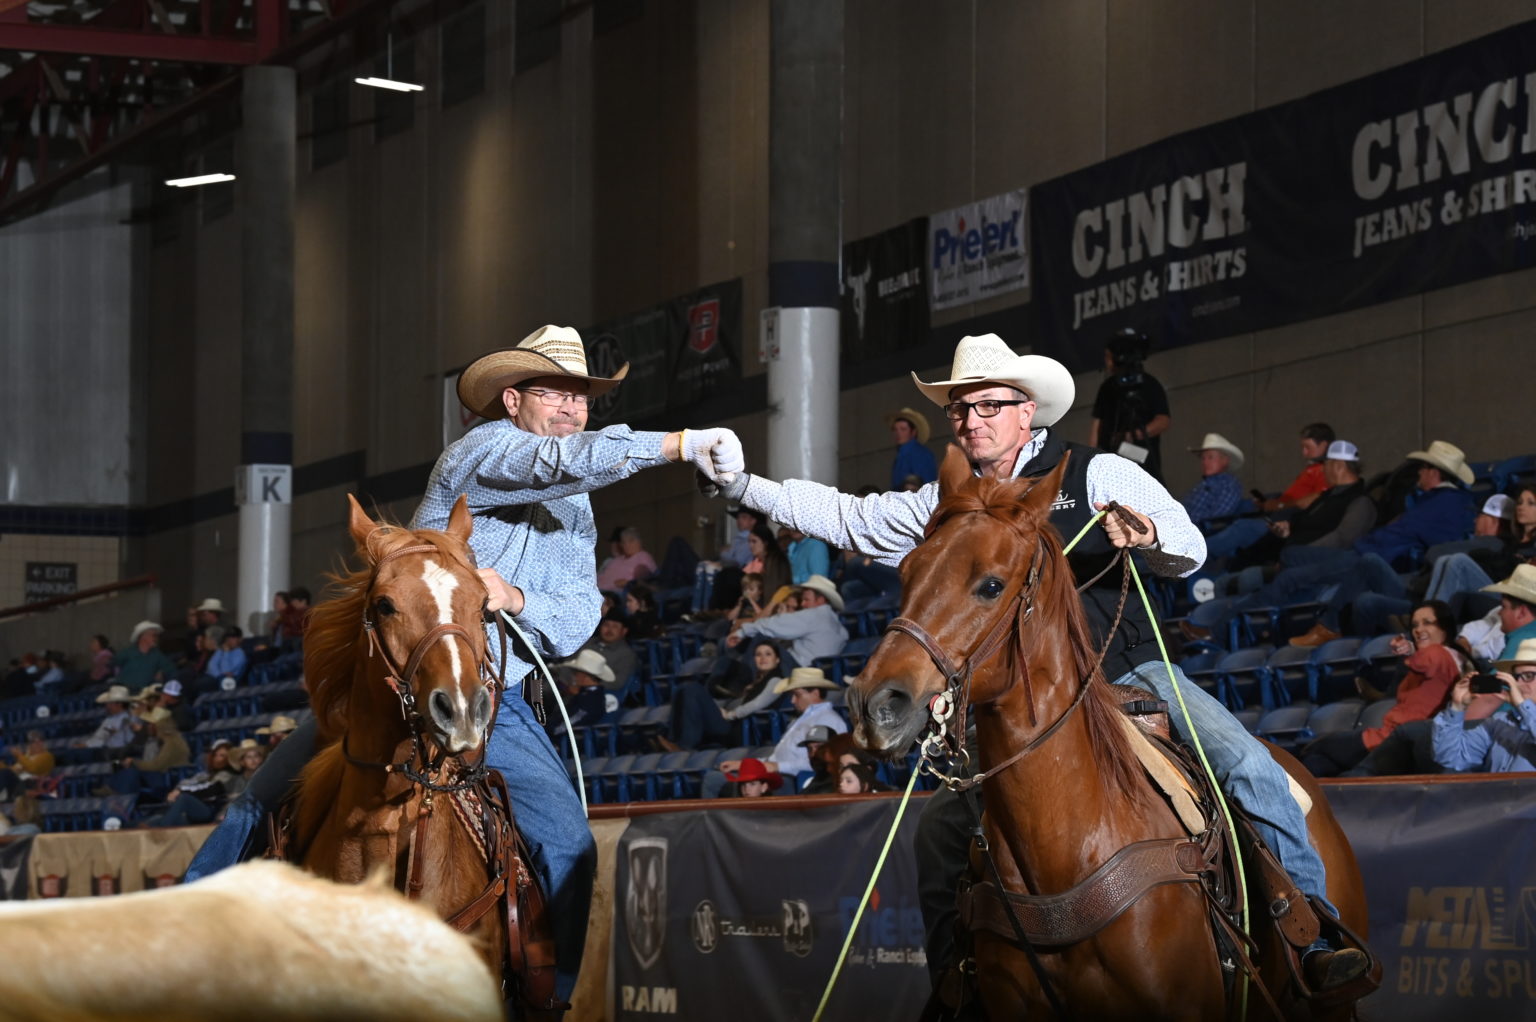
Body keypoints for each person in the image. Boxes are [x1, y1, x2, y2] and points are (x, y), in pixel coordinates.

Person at [710, 331, 1365, 989]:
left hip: (1128, 672)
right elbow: (849, 517)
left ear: (1028, 410)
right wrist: (744, 484)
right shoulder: (951, 502)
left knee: (1251, 764)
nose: (972, 420)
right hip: (1013, 705)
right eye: (960, 409)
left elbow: (1190, 549)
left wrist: (1147, 534)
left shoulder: (1098, 473)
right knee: (938, 832)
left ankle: (1311, 933)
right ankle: (956, 983)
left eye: (988, 405)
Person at [186, 323, 745, 1006]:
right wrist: (681, 444)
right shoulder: (479, 455)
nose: (572, 410)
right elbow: (555, 463)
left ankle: (550, 999)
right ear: (512, 401)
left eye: (582, 399)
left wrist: (517, 596)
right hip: (392, 692)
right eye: (555, 394)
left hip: (495, 697)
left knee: (570, 844)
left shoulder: (577, 508)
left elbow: (576, 617)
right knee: (258, 802)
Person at [1298, 601, 1462, 777]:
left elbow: (1428, 660)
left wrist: (1408, 649)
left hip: (1391, 741)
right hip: (1395, 741)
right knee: (1318, 763)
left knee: (1317, 748)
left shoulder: (1436, 653)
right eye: (1415, 625)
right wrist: (1411, 649)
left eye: (1427, 623)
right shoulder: (1450, 656)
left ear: (1444, 628)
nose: (1418, 629)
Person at [710, 668, 846, 795]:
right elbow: (774, 761)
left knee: (716, 781)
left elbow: (825, 762)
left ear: (815, 693)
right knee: (716, 778)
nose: (792, 700)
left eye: (796, 695)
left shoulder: (829, 720)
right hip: (782, 774)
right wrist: (744, 765)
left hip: (792, 778)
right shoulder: (805, 719)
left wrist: (777, 767)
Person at [1432, 638, 1536, 773]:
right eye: (1516, 677)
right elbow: (1452, 758)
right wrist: (1457, 707)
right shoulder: (1499, 721)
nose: (1518, 684)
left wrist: (1523, 705)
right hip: (1497, 793)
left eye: (1528, 676)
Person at [1088, 328, 1171, 481]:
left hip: (1142, 463)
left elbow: (1163, 421)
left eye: (1108, 356)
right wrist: (1091, 459)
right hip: (1110, 462)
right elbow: (1096, 426)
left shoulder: (1149, 384)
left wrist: (1134, 435)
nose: (1106, 362)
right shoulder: (1107, 387)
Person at [726, 574, 848, 667]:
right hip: (819, 668)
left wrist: (742, 632)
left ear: (821, 600)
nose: (803, 604)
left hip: (800, 668)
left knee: (762, 638)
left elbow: (772, 625)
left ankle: (745, 678)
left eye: (806, 599)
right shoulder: (837, 622)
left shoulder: (814, 615)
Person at [148, 741, 239, 828]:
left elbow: (209, 790)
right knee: (156, 820)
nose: (217, 758)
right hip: (200, 809)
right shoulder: (209, 774)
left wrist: (181, 791)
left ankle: (163, 830)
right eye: (216, 755)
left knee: (184, 799)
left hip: (213, 811)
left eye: (222, 756)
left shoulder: (228, 775)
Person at [1260, 423, 1335, 513]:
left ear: (1323, 445)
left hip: (1288, 513)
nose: (1304, 453)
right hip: (1282, 504)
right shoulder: (1315, 467)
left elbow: (1314, 501)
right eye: (1303, 447)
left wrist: (1278, 505)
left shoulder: (1326, 471)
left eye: (1308, 447)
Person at [1180, 433, 1245, 530]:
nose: (1205, 462)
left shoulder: (1229, 485)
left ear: (1225, 461)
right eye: (1203, 458)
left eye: (1210, 457)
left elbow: (1216, 520)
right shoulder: (1202, 485)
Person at [111, 621, 176, 694]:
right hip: (123, 692)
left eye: (157, 636)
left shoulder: (157, 655)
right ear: (143, 636)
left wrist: (162, 674)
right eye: (154, 635)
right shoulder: (127, 652)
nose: (156, 638)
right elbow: (112, 663)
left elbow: (171, 671)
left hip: (144, 694)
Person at [581, 614, 637, 692]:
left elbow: (618, 682)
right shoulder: (587, 643)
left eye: (615, 626)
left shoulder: (626, 654)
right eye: (606, 625)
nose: (609, 630)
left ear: (624, 631)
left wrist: (592, 683)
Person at [888, 407, 938, 491]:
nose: (898, 433)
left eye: (903, 429)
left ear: (913, 432)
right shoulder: (901, 454)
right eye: (895, 430)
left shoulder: (921, 454)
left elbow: (928, 485)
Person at [595, 527, 657, 592]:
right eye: (623, 542)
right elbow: (602, 575)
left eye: (631, 540)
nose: (627, 545)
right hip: (597, 590)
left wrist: (629, 583)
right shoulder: (616, 560)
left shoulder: (644, 557)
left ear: (639, 541)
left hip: (616, 594)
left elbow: (647, 580)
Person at [0, 731, 55, 801]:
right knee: (5, 773)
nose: (37, 744)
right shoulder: (26, 757)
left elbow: (33, 768)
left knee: (6, 774)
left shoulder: (47, 756)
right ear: (29, 745)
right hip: (18, 786)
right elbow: (12, 771)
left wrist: (19, 755)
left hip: (33, 785)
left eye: (40, 741)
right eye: (33, 742)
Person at [79, 685, 137, 751]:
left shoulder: (130, 718)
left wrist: (86, 745)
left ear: (119, 704)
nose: (107, 706)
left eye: (110, 703)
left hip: (120, 752)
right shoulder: (109, 719)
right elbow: (99, 737)